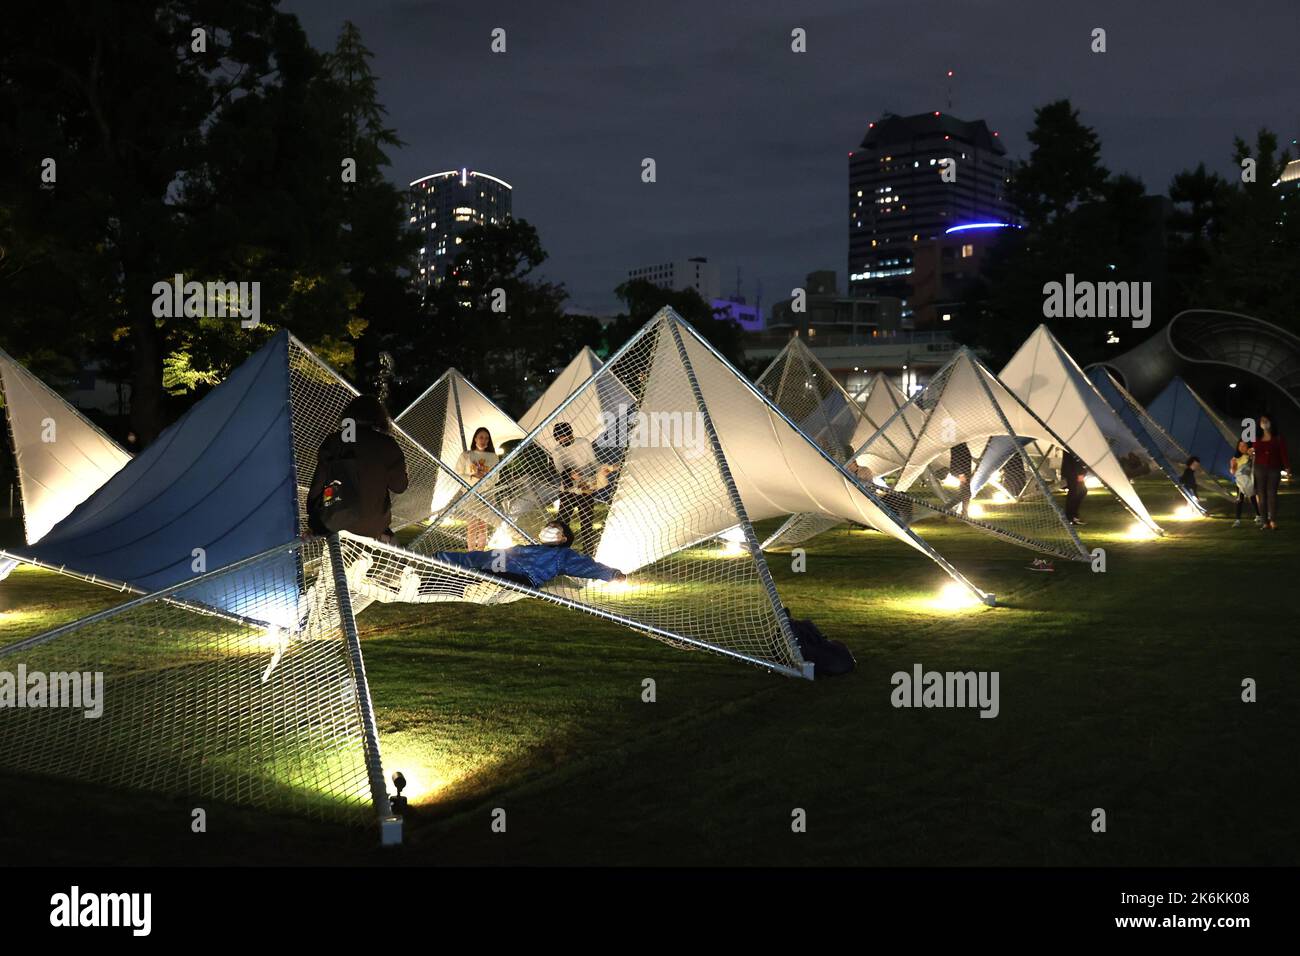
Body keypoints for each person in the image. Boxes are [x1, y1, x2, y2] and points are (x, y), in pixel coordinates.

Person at [307, 394, 408, 542]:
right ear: (379, 418)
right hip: (373, 525)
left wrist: (314, 519)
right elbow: (399, 487)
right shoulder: (387, 445)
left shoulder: (335, 441)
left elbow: (317, 485)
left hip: (335, 519)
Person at [435, 520, 625, 589]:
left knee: (482, 575)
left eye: (554, 528)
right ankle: (439, 559)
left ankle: (448, 582)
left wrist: (613, 574)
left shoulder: (562, 555)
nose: (548, 528)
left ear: (563, 538)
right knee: (478, 559)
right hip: (506, 560)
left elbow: (587, 567)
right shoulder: (533, 548)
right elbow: (483, 557)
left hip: (524, 576)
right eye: (549, 526)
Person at [551, 421, 600, 551]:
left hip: (586, 488)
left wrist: (589, 478)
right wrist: (568, 474)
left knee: (586, 522)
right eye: (560, 439)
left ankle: (588, 551)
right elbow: (560, 471)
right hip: (568, 491)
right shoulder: (556, 451)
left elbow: (593, 464)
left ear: (571, 434)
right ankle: (559, 550)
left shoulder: (583, 443)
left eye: (565, 437)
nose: (563, 441)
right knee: (562, 522)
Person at [458, 426, 498, 550]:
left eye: (486, 438)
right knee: (472, 524)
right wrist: (473, 476)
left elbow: (496, 478)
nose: (483, 440)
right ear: (475, 438)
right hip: (470, 494)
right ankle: (471, 551)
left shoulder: (493, 457)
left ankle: (480, 551)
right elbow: (457, 474)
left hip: (486, 494)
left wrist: (485, 478)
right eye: (481, 437)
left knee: (483, 524)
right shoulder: (466, 455)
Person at [1253, 415, 1289, 531]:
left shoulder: (1278, 438)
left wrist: (1287, 467)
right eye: (1262, 421)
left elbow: (1283, 453)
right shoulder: (1257, 438)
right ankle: (1264, 522)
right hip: (1259, 468)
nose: (1263, 423)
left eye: (1266, 421)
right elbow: (1254, 450)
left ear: (1271, 422)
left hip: (1274, 468)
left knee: (1272, 494)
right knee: (1261, 496)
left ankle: (1273, 520)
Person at [1230, 440, 1260, 528]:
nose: (1242, 448)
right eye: (1240, 446)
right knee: (1239, 500)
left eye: (1244, 446)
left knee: (1253, 498)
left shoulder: (1250, 456)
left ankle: (1258, 515)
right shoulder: (1235, 458)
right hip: (1240, 483)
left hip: (1250, 481)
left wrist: (1252, 454)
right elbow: (1233, 472)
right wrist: (1232, 466)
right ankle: (1237, 520)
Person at [1060, 449, 1087, 526]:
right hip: (1073, 471)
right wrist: (1080, 472)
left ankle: (1071, 517)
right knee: (1076, 492)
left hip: (1072, 470)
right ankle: (1071, 517)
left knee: (1079, 492)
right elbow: (1074, 457)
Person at [948, 441, 972, 516]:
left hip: (964, 472)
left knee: (965, 493)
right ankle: (945, 509)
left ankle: (964, 512)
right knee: (965, 494)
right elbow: (957, 459)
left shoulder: (960, 445)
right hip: (962, 473)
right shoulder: (958, 446)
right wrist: (961, 474)